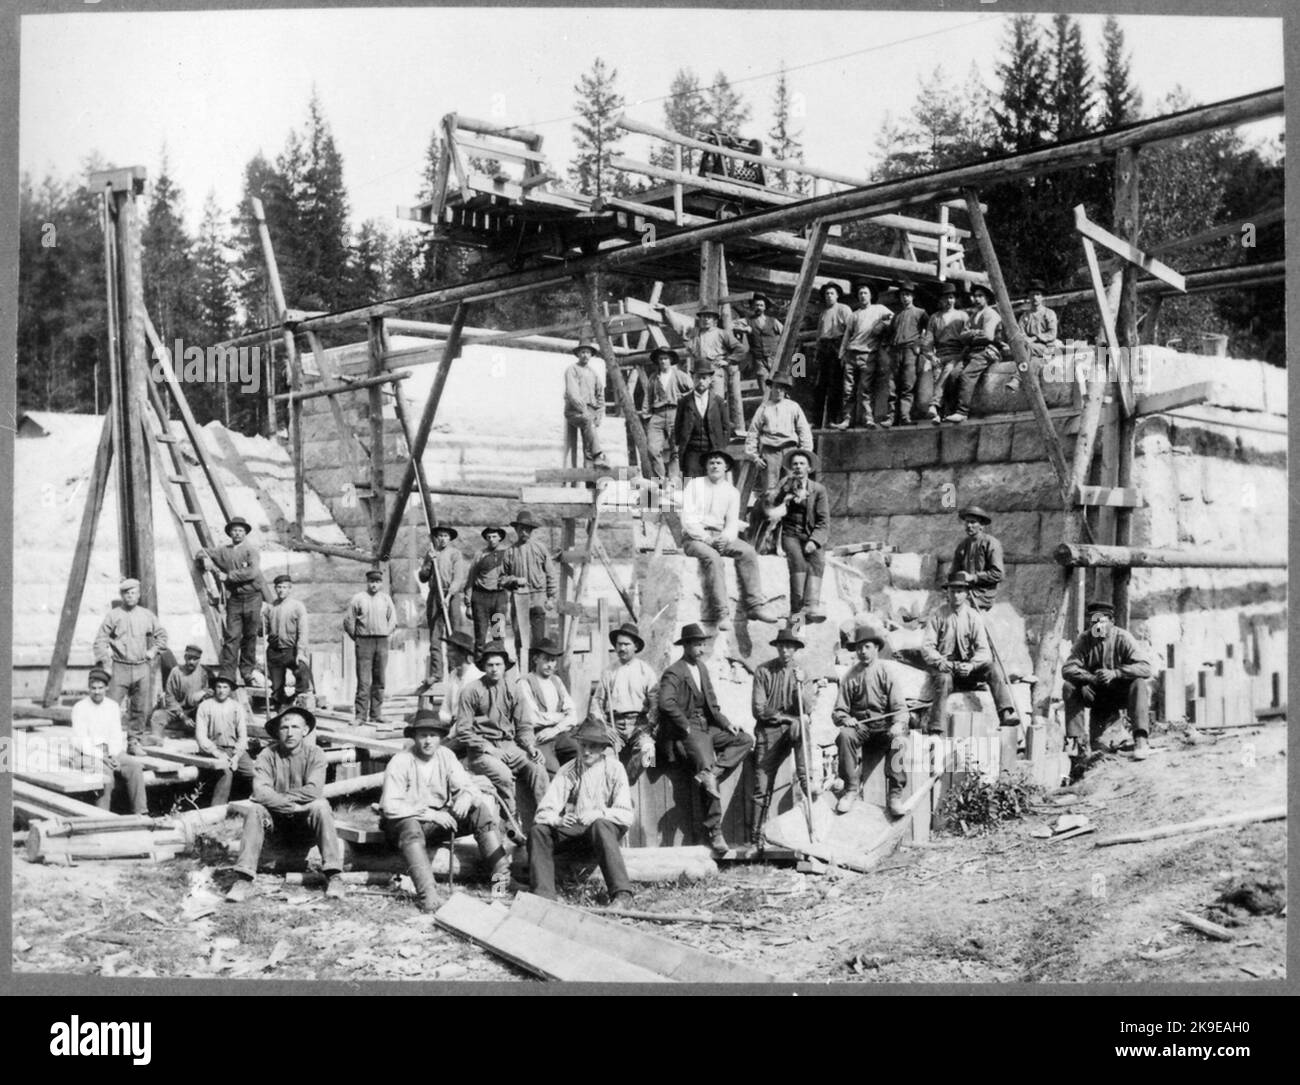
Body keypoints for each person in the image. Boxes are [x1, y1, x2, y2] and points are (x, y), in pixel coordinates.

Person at [380, 708, 511, 911]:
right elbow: (389, 805)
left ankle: (500, 880)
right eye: (423, 735)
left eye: (433, 735)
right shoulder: (401, 761)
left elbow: (468, 785)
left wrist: (467, 796)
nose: (428, 741)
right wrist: (430, 814)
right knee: (410, 826)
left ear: (441, 737)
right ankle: (428, 895)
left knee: (480, 811)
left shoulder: (446, 756)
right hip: (402, 827)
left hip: (435, 823)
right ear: (414, 736)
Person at [225, 706, 345, 903]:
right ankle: (244, 879)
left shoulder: (316, 754)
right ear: (278, 732)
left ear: (305, 731)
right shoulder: (267, 755)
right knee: (255, 809)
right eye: (284, 728)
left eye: (295, 727)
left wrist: (277, 797)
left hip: (305, 826)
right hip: (276, 824)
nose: (290, 733)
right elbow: (260, 792)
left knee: (320, 806)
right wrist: (291, 806)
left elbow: (313, 790)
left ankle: (333, 875)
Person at [658, 623, 753, 853]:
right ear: (686, 646)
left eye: (703, 644)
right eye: (697, 644)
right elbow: (665, 702)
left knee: (745, 739)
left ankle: (711, 774)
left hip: (707, 727)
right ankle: (715, 831)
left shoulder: (701, 668)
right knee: (705, 764)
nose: (701, 648)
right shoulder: (674, 671)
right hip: (687, 731)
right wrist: (684, 726)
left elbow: (712, 704)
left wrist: (727, 724)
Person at [528, 718, 636, 907]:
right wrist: (557, 820)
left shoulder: (615, 768)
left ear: (603, 748)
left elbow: (626, 814)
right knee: (538, 831)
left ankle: (622, 895)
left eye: (593, 747)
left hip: (605, 830)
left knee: (600, 825)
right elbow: (544, 811)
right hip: (578, 830)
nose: (586, 751)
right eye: (583, 745)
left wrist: (600, 813)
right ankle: (544, 896)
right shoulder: (568, 770)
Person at [452, 640, 549, 836]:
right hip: (481, 752)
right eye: (490, 665)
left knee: (538, 769)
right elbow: (463, 730)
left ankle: (547, 820)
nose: (494, 669)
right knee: (504, 776)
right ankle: (512, 823)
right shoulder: (471, 691)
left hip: (510, 746)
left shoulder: (514, 690)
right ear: (483, 667)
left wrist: (530, 747)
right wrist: (487, 748)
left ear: (505, 667)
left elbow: (524, 726)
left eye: (498, 665)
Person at [680, 448, 780, 630]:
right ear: (705, 466)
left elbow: (732, 523)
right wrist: (706, 539)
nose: (715, 466)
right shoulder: (693, 486)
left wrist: (725, 538)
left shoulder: (732, 492)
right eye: (711, 462)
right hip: (695, 538)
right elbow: (688, 520)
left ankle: (755, 605)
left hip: (720, 535)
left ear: (726, 467)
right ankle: (721, 613)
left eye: (719, 463)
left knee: (748, 551)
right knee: (712, 557)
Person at [920, 572, 1019, 735]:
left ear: (966, 594)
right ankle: (936, 728)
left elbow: (984, 650)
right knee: (943, 678)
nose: (956, 595)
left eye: (960, 591)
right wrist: (939, 661)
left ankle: (1005, 712)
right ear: (948, 593)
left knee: (992, 668)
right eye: (953, 591)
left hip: (967, 670)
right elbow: (927, 646)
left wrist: (972, 665)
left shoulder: (973, 617)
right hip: (946, 668)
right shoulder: (938, 615)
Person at [1061, 601, 1154, 767]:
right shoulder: (1085, 639)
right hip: (1096, 695)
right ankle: (1077, 742)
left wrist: (1116, 673)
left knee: (1139, 683)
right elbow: (1068, 668)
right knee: (1069, 686)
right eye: (1093, 622)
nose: (1097, 626)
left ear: (1111, 621)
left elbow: (1146, 668)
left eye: (1101, 621)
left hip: (1120, 694)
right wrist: (1090, 678)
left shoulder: (1123, 637)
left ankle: (1140, 738)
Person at [832, 620, 909, 818]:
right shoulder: (850, 676)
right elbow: (838, 711)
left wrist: (898, 723)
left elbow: (900, 707)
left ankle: (895, 794)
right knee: (844, 735)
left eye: (867, 647)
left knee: (900, 741)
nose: (863, 651)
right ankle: (850, 790)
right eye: (859, 648)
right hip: (861, 729)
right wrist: (846, 718)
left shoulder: (886, 672)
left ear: (876, 648)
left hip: (884, 728)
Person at [751, 625, 816, 843]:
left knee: (802, 725)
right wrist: (786, 718)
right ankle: (757, 837)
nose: (785, 651)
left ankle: (808, 784)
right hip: (768, 732)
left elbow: (807, 708)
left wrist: (800, 685)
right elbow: (759, 709)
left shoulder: (802, 672)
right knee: (761, 784)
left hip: (793, 730)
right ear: (777, 647)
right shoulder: (763, 671)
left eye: (789, 647)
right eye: (782, 646)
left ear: (795, 649)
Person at [92, 577, 168, 755]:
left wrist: (153, 651)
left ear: (139, 595)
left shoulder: (147, 615)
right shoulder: (114, 615)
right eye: (126, 593)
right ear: (122, 595)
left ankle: (134, 742)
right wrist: (106, 663)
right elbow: (100, 641)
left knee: (140, 708)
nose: (130, 596)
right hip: (120, 667)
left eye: (133, 593)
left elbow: (162, 636)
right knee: (109, 707)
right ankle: (102, 744)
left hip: (142, 667)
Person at [655, 303, 747, 436]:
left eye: (709, 317)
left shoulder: (722, 334)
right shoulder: (694, 333)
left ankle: (721, 431)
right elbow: (679, 326)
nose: (706, 319)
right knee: (699, 402)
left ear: (715, 320)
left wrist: (726, 361)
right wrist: (666, 311)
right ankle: (703, 432)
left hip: (715, 371)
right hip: (699, 372)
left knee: (716, 401)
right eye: (703, 317)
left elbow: (740, 349)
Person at [763, 449, 830, 623]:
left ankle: (812, 605)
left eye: (802, 464)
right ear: (791, 468)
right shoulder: (785, 483)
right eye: (795, 464)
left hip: (809, 534)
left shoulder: (818, 490)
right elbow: (770, 504)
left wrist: (814, 541)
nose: (798, 467)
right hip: (789, 534)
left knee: (817, 559)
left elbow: (824, 522)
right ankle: (797, 615)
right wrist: (783, 492)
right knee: (798, 563)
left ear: (809, 468)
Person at [70, 667, 147, 815]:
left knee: (134, 767)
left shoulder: (112, 706)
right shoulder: (80, 708)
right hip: (85, 754)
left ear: (106, 688)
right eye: (93, 688)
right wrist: (102, 757)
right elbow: (81, 741)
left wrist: (112, 755)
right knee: (106, 775)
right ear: (89, 688)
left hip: (110, 752)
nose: (97, 692)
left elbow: (116, 736)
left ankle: (141, 813)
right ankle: (102, 816)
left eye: (100, 688)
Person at [199, 516, 265, 688]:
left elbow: (252, 572)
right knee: (232, 637)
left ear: (245, 533)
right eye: (234, 530)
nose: (237, 533)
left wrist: (228, 576)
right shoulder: (224, 551)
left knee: (250, 637)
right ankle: (228, 674)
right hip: (234, 599)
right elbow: (203, 551)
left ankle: (247, 672)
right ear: (230, 533)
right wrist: (205, 558)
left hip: (252, 597)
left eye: (240, 531)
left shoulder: (251, 551)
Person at [587, 622, 659, 779]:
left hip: (640, 725)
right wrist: (604, 728)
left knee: (649, 755)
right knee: (604, 759)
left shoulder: (645, 671)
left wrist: (650, 726)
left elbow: (655, 703)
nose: (622, 648)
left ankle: (626, 781)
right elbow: (596, 705)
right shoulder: (608, 672)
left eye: (627, 644)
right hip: (614, 727)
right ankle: (616, 782)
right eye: (619, 644)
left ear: (635, 646)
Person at [830, 281, 892, 430]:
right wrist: (842, 355)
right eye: (860, 293)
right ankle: (846, 420)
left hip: (868, 354)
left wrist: (882, 325)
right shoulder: (854, 314)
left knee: (865, 388)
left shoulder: (879, 309)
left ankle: (868, 419)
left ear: (871, 295)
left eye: (865, 293)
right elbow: (846, 336)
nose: (863, 296)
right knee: (848, 389)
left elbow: (892, 318)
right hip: (851, 354)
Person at [743, 370, 813, 496]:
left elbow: (804, 431)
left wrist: (805, 453)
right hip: (770, 453)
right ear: (771, 388)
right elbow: (753, 432)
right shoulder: (764, 408)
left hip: (790, 451)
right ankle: (771, 515)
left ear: (785, 390)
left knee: (793, 487)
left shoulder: (793, 407)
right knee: (771, 491)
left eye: (782, 388)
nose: (778, 391)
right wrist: (754, 457)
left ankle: (791, 514)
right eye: (776, 387)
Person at [516, 638, 579, 775]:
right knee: (550, 769)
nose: (551, 665)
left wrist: (555, 729)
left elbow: (573, 715)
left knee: (580, 753)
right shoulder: (525, 683)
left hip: (558, 733)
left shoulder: (557, 681)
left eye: (553, 660)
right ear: (536, 659)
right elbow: (532, 718)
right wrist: (561, 716)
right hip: (537, 736)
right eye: (546, 660)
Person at [343, 569, 397, 725]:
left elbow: (393, 620)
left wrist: (385, 633)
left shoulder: (386, 599)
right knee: (364, 681)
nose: (374, 585)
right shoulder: (358, 599)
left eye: (377, 582)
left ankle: (376, 714)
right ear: (367, 582)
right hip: (364, 642)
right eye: (371, 582)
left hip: (381, 641)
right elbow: (348, 621)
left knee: (380, 679)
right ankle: (360, 716)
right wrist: (358, 637)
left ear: (381, 583)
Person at [194, 672, 256, 807]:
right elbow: (201, 736)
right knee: (225, 773)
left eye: (225, 687)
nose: (221, 691)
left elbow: (242, 735)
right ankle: (217, 810)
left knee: (253, 773)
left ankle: (256, 804)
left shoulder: (236, 707)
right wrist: (217, 753)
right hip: (213, 749)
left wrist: (236, 756)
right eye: (219, 687)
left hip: (234, 749)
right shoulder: (205, 706)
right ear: (214, 688)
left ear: (230, 689)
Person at [418, 525, 469, 685]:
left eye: (446, 536)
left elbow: (459, 577)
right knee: (435, 636)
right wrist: (429, 563)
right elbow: (423, 577)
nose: (442, 539)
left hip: (450, 595)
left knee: (453, 636)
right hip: (435, 595)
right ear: (436, 538)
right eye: (440, 536)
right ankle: (436, 674)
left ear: (450, 538)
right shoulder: (431, 553)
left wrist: (448, 597)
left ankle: (455, 671)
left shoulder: (455, 554)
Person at [501, 508, 558, 651]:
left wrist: (551, 597)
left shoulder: (540, 549)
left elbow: (551, 573)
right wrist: (514, 580)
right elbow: (501, 579)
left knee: (539, 639)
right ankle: (523, 671)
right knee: (520, 638)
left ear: (531, 530)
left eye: (527, 529)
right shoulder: (510, 552)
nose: (524, 532)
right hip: (518, 598)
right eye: (521, 529)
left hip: (538, 597)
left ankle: (536, 670)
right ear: (516, 530)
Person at [946, 283, 1001, 424]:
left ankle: (962, 412)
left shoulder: (991, 314)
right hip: (972, 351)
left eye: (980, 296)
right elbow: (961, 337)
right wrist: (976, 333)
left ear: (987, 298)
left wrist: (971, 335)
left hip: (987, 351)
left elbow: (988, 336)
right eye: (975, 296)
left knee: (967, 375)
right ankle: (950, 410)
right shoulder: (974, 315)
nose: (976, 299)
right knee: (953, 374)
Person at [639, 347, 693, 480]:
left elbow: (693, 390)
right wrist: (646, 417)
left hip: (675, 412)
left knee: (676, 449)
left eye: (666, 358)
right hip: (657, 415)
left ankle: (674, 479)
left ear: (671, 361)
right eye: (661, 359)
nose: (663, 361)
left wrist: (681, 398)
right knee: (653, 449)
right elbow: (648, 397)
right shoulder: (653, 377)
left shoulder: (679, 375)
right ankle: (660, 480)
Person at [672, 359, 731, 479]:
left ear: (710, 380)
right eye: (698, 378)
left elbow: (726, 428)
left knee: (713, 488)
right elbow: (678, 426)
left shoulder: (719, 402)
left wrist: (720, 449)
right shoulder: (684, 402)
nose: (701, 381)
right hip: (691, 453)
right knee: (690, 488)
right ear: (693, 378)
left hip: (712, 452)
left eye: (704, 378)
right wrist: (681, 446)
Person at [262, 574, 313, 710]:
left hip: (292, 650)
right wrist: (259, 618)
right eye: (279, 587)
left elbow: (303, 631)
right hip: (274, 651)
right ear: (275, 589)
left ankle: (295, 700)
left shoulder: (297, 606)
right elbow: (263, 630)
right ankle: (281, 710)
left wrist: (301, 652)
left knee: (302, 674)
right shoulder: (270, 607)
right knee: (277, 687)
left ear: (290, 589)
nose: (281, 590)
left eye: (284, 587)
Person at [921, 282, 968, 423]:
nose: (949, 301)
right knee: (937, 373)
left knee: (949, 371)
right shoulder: (934, 318)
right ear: (940, 300)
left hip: (957, 354)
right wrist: (931, 356)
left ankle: (934, 405)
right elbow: (927, 342)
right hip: (940, 355)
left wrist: (962, 355)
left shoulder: (962, 316)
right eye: (946, 298)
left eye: (952, 298)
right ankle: (938, 414)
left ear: (955, 299)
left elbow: (968, 339)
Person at [563, 338, 611, 469]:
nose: (585, 355)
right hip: (574, 411)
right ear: (578, 354)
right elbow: (573, 394)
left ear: (591, 355)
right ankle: (599, 455)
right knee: (588, 422)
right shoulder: (572, 370)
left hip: (590, 412)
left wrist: (599, 414)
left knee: (588, 445)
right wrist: (584, 411)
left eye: (588, 352)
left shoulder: (593, 373)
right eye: (582, 352)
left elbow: (600, 394)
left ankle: (590, 482)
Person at [888, 280, 928, 426]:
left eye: (908, 295)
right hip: (896, 351)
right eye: (903, 295)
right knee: (892, 386)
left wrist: (919, 345)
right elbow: (889, 334)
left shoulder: (920, 313)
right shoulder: (897, 315)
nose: (905, 298)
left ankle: (905, 416)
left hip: (910, 350)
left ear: (913, 297)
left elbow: (928, 331)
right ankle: (891, 417)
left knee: (907, 384)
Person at [149, 643, 210, 739]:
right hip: (175, 711)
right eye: (189, 658)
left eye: (195, 659)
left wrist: (204, 696)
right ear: (185, 657)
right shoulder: (176, 672)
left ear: (199, 659)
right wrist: (182, 715)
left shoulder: (203, 673)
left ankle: (197, 735)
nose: (191, 662)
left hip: (193, 711)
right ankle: (156, 739)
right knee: (157, 715)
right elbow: (169, 696)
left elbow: (204, 696)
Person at [813, 281, 853, 427]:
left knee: (835, 385)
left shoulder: (843, 309)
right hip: (824, 348)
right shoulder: (823, 313)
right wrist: (817, 352)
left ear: (837, 295)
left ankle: (833, 419)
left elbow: (850, 330)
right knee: (820, 386)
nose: (829, 296)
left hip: (837, 346)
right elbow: (819, 334)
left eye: (831, 293)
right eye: (827, 294)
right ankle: (817, 421)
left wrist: (844, 352)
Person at [465, 525, 509, 656]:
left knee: (498, 634)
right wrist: (468, 604)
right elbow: (470, 579)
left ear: (500, 537)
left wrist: (510, 603)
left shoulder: (506, 554)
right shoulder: (480, 555)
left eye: (494, 536)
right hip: (481, 598)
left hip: (499, 598)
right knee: (480, 635)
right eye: (489, 537)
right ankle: (479, 665)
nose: (491, 539)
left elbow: (512, 577)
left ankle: (499, 663)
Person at [950, 507, 1005, 612]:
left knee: (960, 610)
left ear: (982, 526)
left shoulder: (991, 543)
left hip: (983, 594)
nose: (969, 525)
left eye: (973, 522)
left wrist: (973, 577)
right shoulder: (962, 546)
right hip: (964, 592)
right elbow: (954, 573)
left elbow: (998, 574)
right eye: (967, 522)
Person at [1016, 279, 1059, 393]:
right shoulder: (1025, 316)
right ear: (1028, 297)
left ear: (1042, 297)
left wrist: (1035, 338)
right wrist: (1026, 340)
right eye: (1032, 294)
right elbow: (1021, 335)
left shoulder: (1049, 313)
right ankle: (1035, 392)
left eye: (1037, 294)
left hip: (1048, 348)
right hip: (1031, 352)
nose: (1035, 297)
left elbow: (1052, 334)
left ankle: (1017, 377)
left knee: (1030, 348)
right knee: (1034, 362)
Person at [740, 293, 783, 399]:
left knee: (778, 383)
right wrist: (743, 329)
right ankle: (766, 405)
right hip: (759, 359)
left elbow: (785, 332)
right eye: (756, 305)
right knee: (763, 385)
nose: (758, 307)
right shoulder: (747, 321)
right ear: (753, 307)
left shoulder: (773, 321)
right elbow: (732, 325)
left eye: (761, 305)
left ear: (765, 307)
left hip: (774, 357)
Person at [437, 631, 483, 729]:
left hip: (472, 730)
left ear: (463, 653)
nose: (447, 655)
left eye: (451, 651)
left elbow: (483, 715)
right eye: (447, 651)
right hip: (452, 727)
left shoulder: (477, 678)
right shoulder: (453, 675)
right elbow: (445, 709)